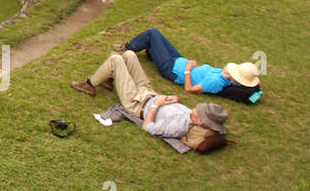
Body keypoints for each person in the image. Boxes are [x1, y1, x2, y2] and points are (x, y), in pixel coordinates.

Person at [71, 51, 230, 151]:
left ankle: (89, 85)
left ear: (200, 121)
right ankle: (108, 76)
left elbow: (148, 127)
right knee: (129, 55)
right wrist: (174, 99)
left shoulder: (178, 127)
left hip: (137, 103)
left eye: (198, 112)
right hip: (149, 92)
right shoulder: (192, 117)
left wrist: (156, 106)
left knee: (115, 59)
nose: (196, 109)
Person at [117, 28, 261, 104]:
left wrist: (187, 70)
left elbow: (190, 89)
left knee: (152, 34)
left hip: (171, 69)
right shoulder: (222, 75)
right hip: (178, 60)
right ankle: (150, 52)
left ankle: (127, 49)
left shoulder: (216, 82)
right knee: (156, 36)